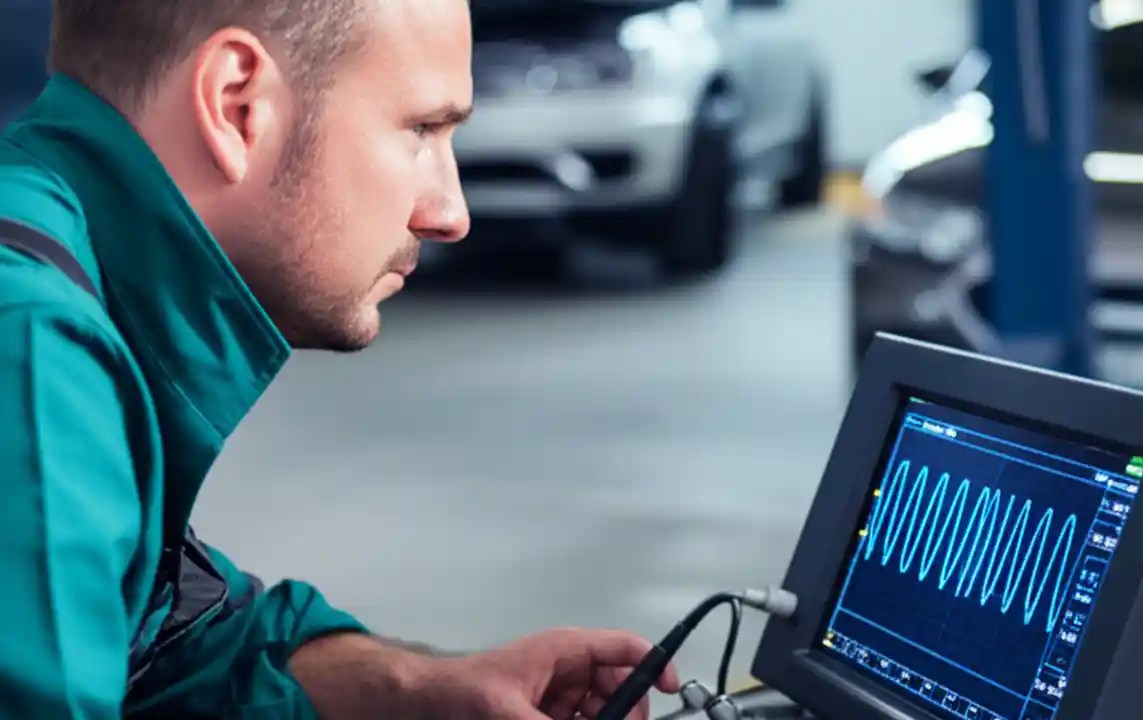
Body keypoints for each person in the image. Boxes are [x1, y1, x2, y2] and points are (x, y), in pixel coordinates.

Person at [0, 0, 680, 717]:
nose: (450, 212)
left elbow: (160, 636)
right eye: (420, 130)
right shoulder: (34, 354)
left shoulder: (78, 270)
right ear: (237, 105)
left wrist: (422, 690)